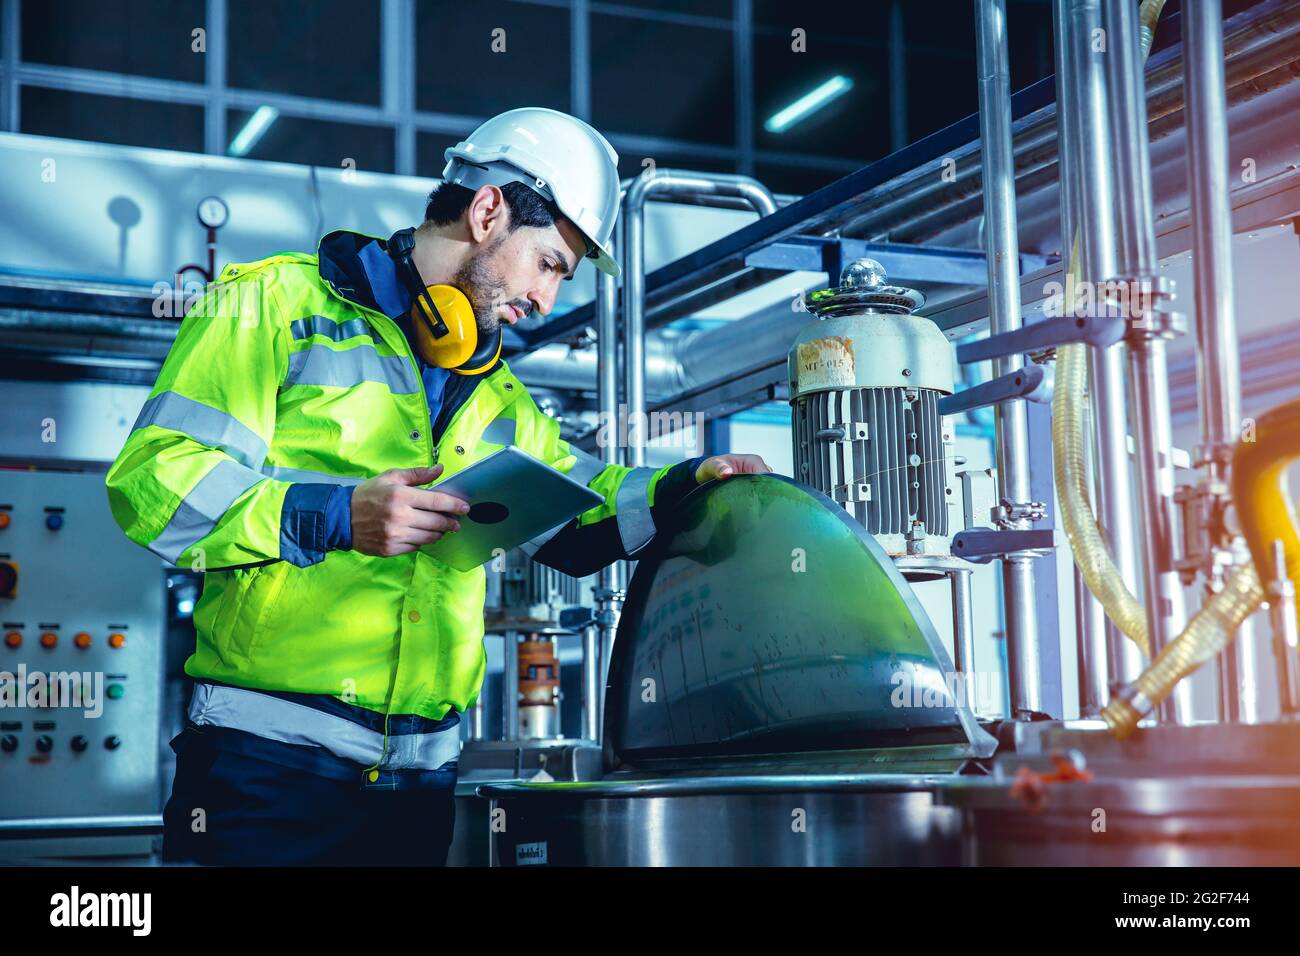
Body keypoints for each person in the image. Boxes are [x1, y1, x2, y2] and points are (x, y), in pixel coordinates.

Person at [105, 106, 771, 866]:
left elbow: (579, 518)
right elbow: (153, 481)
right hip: (268, 776)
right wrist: (333, 514)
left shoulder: (498, 395)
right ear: (489, 211)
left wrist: (686, 483)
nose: (549, 301)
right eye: (549, 263)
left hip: (418, 796)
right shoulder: (278, 309)